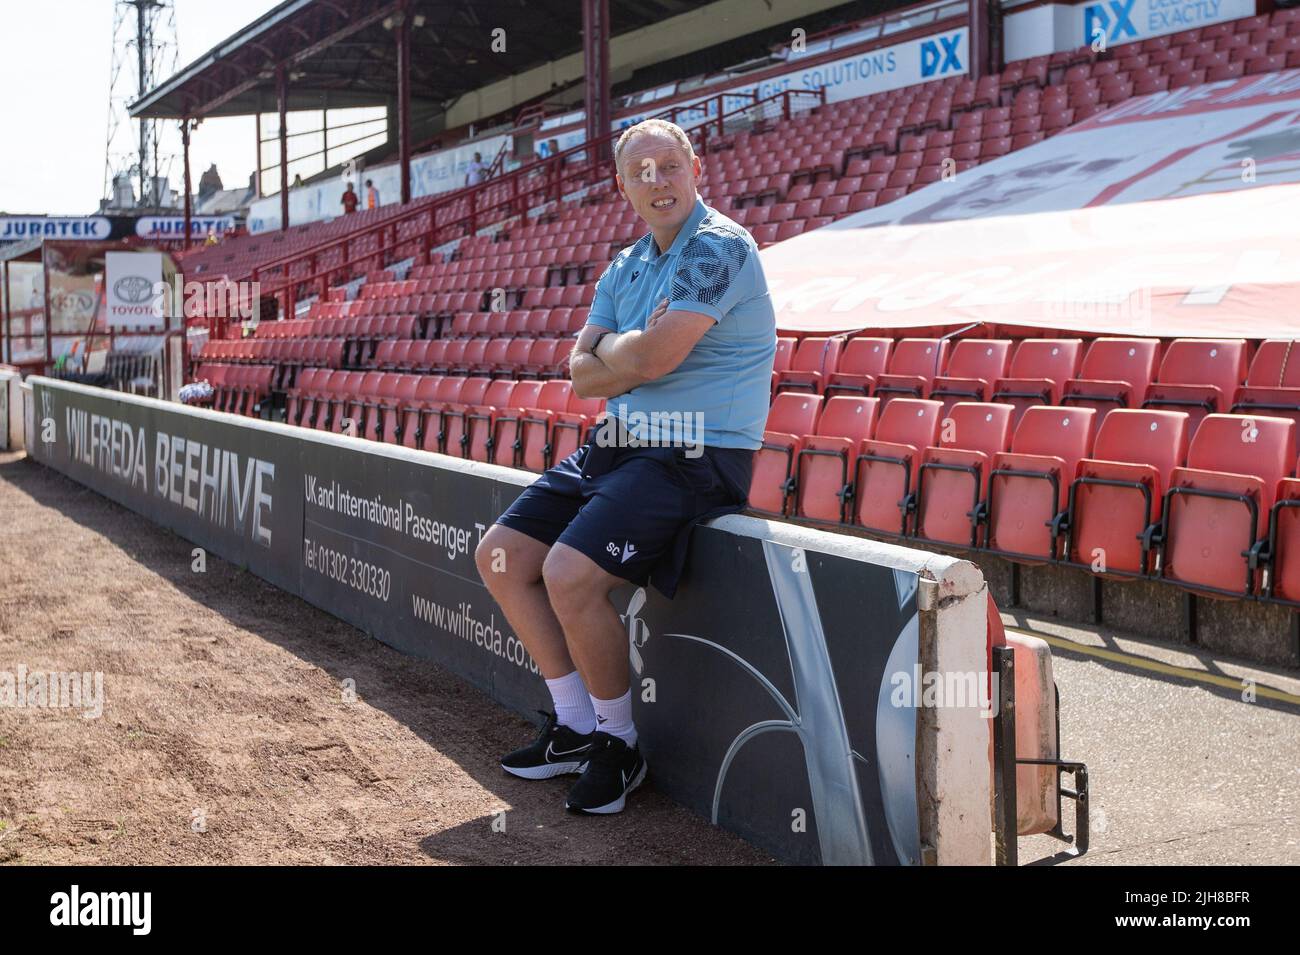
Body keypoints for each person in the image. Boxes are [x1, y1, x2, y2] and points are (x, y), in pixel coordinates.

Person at [475, 118, 776, 815]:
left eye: (668, 167)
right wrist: (623, 353)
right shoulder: (627, 263)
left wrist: (618, 353)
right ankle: (575, 725)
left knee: (566, 575)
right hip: (620, 441)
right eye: (640, 173)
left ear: (694, 167)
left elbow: (651, 360)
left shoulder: (719, 249)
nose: (656, 182)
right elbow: (579, 377)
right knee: (498, 556)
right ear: (622, 186)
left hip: (695, 450)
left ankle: (620, 742)